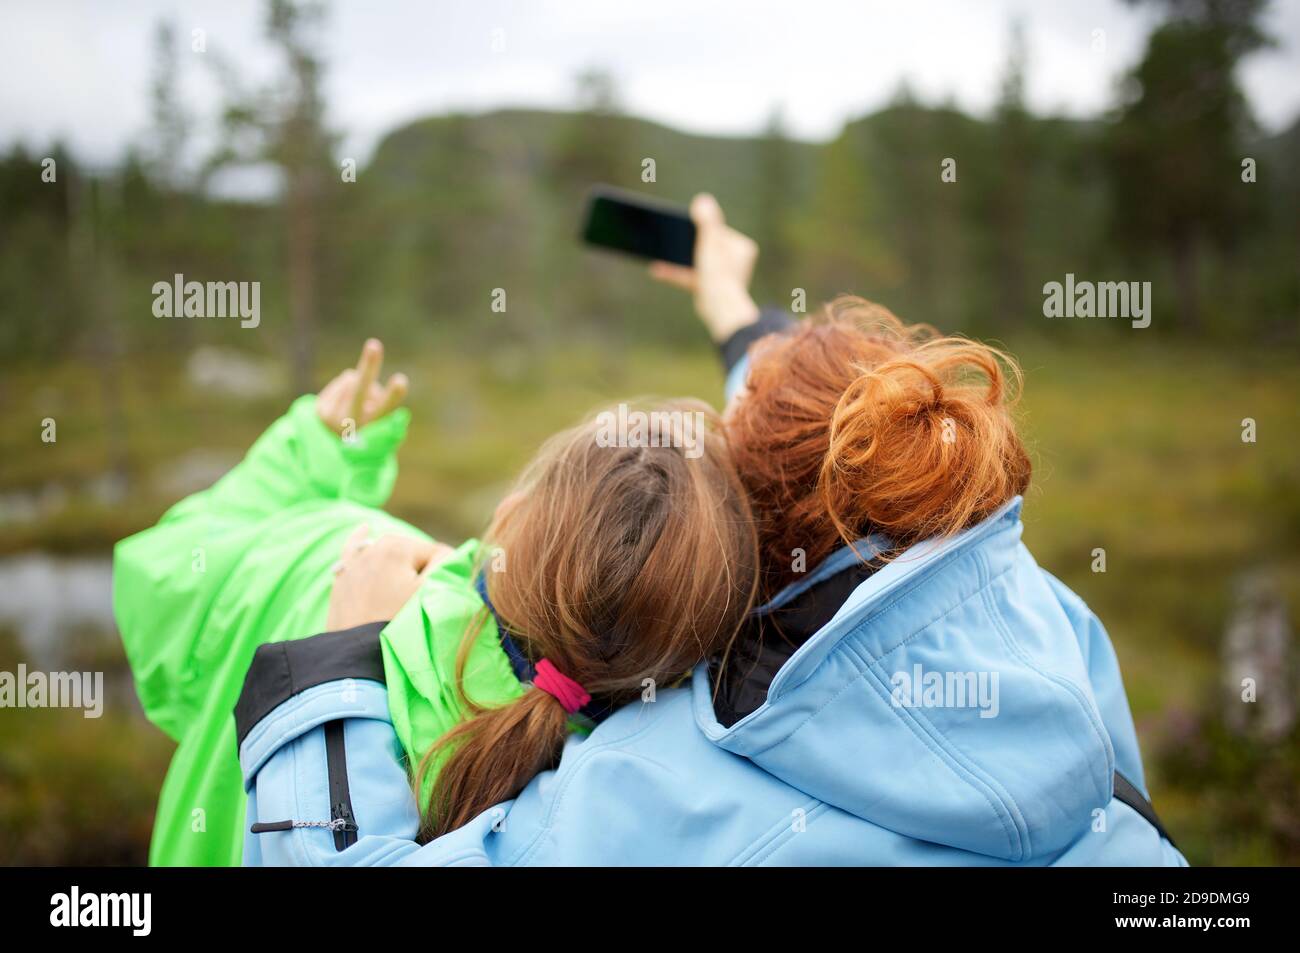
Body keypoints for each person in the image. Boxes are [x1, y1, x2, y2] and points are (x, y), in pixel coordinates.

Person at [236, 195, 1186, 866]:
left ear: (754, 536)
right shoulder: (1030, 604)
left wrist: (333, 660)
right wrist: (734, 311)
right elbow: (821, 468)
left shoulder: (661, 789)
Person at [113, 340, 756, 865]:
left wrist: (314, 455)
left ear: (510, 516)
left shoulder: (344, 560)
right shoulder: (616, 797)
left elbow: (159, 576)